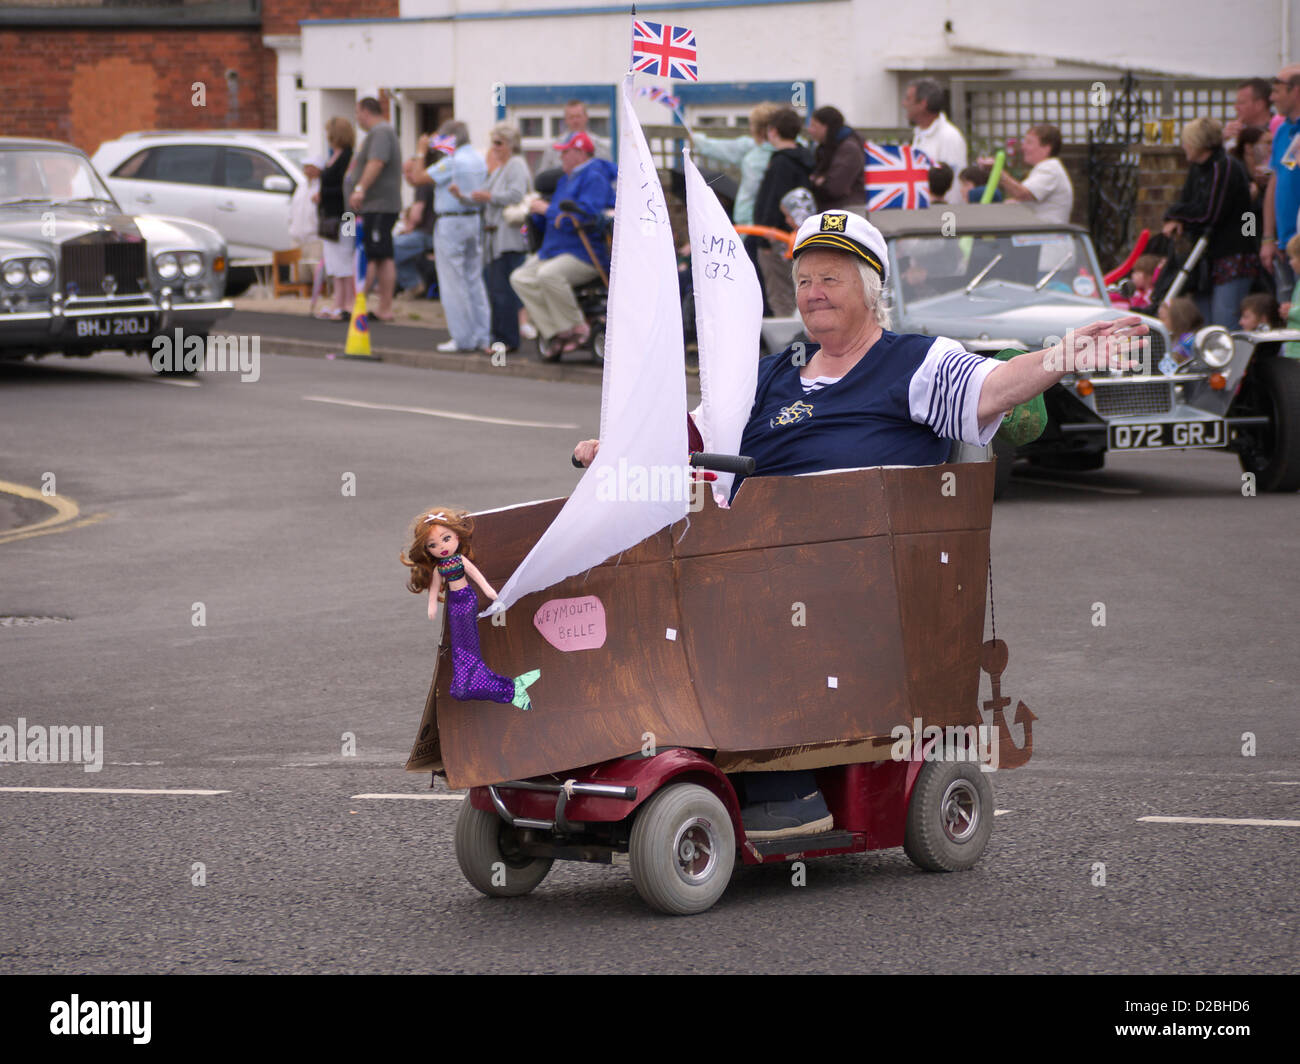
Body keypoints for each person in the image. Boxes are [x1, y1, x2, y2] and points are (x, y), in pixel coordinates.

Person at [572, 210, 1145, 838]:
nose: (815, 291)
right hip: (748, 555)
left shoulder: (918, 362)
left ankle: (782, 785)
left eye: (833, 278)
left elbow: (993, 389)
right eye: (806, 279)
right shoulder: (771, 374)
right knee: (620, 586)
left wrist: (1062, 356)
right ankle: (601, 752)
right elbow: (690, 435)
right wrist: (619, 450)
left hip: (857, 576)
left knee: (742, 602)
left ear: (872, 287)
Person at [401, 508, 540, 710]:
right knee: (460, 638)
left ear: (456, 536)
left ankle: (472, 679)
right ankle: (474, 680)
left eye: (446, 538)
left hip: (466, 599)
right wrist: (432, 606)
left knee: (467, 637)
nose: (442, 547)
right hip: (454, 603)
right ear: (427, 549)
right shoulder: (441, 568)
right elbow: (433, 590)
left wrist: (490, 592)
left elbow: (478, 577)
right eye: (433, 544)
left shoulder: (459, 561)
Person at [509, 130, 616, 354]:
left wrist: (547, 209)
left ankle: (576, 327)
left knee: (548, 275)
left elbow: (587, 216)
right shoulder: (567, 178)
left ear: (579, 153)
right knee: (520, 278)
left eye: (565, 152)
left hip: (584, 253)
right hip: (555, 249)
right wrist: (535, 213)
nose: (561, 157)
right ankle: (556, 330)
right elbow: (554, 215)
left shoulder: (594, 177)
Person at [1163, 117, 1259, 330]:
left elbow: (1209, 213)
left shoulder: (1223, 167)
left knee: (1224, 322)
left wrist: (1175, 215)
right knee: (1203, 323)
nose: (1184, 146)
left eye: (1187, 141)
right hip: (1206, 258)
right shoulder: (1198, 169)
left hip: (1233, 255)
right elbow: (1187, 201)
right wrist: (1177, 215)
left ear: (1198, 142)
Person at [407, 120, 493, 353]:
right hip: (473, 219)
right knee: (474, 280)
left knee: (453, 282)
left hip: (451, 221)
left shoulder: (453, 163)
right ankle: (482, 335)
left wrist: (421, 151)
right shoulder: (477, 158)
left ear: (452, 139)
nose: (439, 144)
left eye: (443, 139)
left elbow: (417, 177)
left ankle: (462, 338)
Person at [466, 123, 531, 351]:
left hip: (507, 239)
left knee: (503, 291)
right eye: (493, 143)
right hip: (496, 239)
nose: (494, 148)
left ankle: (506, 340)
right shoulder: (502, 168)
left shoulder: (516, 164)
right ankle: (499, 337)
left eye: (498, 143)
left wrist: (489, 196)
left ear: (511, 145)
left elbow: (516, 194)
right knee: (496, 289)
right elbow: (484, 194)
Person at [752, 105, 814, 317]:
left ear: (773, 131)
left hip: (775, 238)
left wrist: (763, 238)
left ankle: (789, 342)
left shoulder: (781, 163)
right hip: (794, 236)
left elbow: (773, 201)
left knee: (780, 294)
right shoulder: (803, 158)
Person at [348, 97, 402, 323]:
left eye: (357, 113)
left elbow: (376, 162)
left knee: (380, 255)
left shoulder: (380, 132)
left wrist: (360, 188)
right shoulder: (381, 132)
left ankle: (381, 306)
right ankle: (377, 305)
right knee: (377, 254)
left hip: (380, 205)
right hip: (376, 205)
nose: (357, 118)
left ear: (365, 111)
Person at [980, 124, 1073, 224]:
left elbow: (1023, 194)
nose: (1023, 147)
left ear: (1046, 148)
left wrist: (997, 171)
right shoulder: (1047, 168)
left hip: (1047, 237)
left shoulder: (1050, 168)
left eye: (1029, 142)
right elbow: (1025, 198)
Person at [1260, 64, 1300, 300]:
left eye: (1277, 90)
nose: (1272, 97)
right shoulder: (1284, 131)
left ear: (1295, 90)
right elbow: (1275, 182)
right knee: (1287, 315)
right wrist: (1267, 237)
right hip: (1284, 244)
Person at [315, 116, 355, 322]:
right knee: (334, 260)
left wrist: (324, 193)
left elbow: (344, 187)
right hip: (331, 216)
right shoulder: (335, 155)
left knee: (344, 257)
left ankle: (347, 303)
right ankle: (338, 302)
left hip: (345, 216)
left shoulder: (347, 157)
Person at [807, 106, 866, 214]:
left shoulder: (849, 149)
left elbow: (835, 187)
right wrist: (818, 180)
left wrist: (818, 181)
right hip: (832, 210)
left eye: (813, 126)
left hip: (846, 212)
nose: (809, 130)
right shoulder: (824, 148)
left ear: (826, 127)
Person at [905, 78, 968, 178]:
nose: (904, 104)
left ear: (923, 104)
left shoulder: (949, 137)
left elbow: (953, 183)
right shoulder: (920, 133)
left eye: (908, 99)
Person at [394, 145, 436, 299]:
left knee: (392, 247)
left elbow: (416, 216)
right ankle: (413, 283)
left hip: (427, 235)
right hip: (429, 233)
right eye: (404, 172)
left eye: (409, 171)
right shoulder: (427, 184)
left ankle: (413, 284)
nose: (407, 176)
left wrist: (408, 227)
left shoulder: (422, 185)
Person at [534, 100, 613, 174]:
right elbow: (544, 176)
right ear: (565, 120)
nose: (575, 121)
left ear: (586, 117)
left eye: (578, 116)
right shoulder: (553, 149)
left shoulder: (600, 147)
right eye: (571, 117)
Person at [1225, 77, 1282, 150]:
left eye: (1241, 103)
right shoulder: (1236, 132)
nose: (1236, 107)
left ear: (1259, 105)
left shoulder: (1280, 130)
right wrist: (1222, 141)